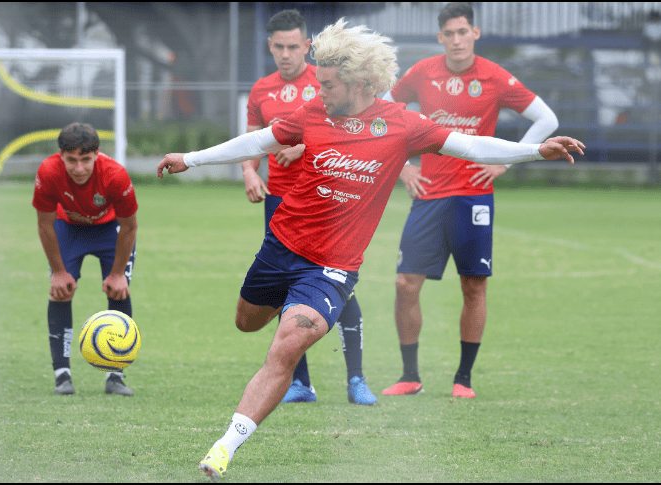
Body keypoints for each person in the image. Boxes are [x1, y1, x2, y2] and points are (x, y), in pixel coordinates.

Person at [157, 18, 583, 481]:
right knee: (247, 322)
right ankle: (291, 305)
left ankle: (224, 447)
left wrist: (534, 151)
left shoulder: (402, 124)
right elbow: (258, 140)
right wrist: (191, 159)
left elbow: (472, 146)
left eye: (327, 85)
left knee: (288, 344)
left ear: (360, 83)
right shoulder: (312, 114)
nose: (318, 91)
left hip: (332, 267)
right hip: (280, 247)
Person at [379, 2, 560, 400]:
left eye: (463, 32)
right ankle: (410, 376)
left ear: (475, 33)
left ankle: (463, 378)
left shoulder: (494, 76)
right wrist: (402, 166)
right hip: (429, 195)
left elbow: (547, 120)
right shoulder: (422, 72)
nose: (457, 40)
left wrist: (505, 163)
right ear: (440, 37)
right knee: (405, 283)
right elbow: (383, 112)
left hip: (473, 196)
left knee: (473, 286)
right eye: (449, 34)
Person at [242, 9, 376, 406]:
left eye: (293, 47)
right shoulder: (261, 90)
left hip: (327, 202)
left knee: (340, 289)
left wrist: (303, 146)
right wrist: (249, 172)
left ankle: (356, 379)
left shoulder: (328, 82)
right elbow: (253, 140)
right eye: (278, 47)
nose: (286, 54)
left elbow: (349, 129)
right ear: (270, 46)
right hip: (280, 203)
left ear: (307, 46)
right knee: (284, 289)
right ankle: (300, 383)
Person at [33, 122, 138, 396]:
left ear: (97, 155)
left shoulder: (115, 175)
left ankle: (116, 375)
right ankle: (62, 375)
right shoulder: (48, 172)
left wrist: (117, 274)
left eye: (86, 160)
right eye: (71, 160)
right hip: (69, 228)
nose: (79, 169)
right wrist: (58, 272)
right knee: (61, 291)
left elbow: (129, 227)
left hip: (109, 230)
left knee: (118, 290)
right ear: (60, 156)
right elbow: (44, 223)